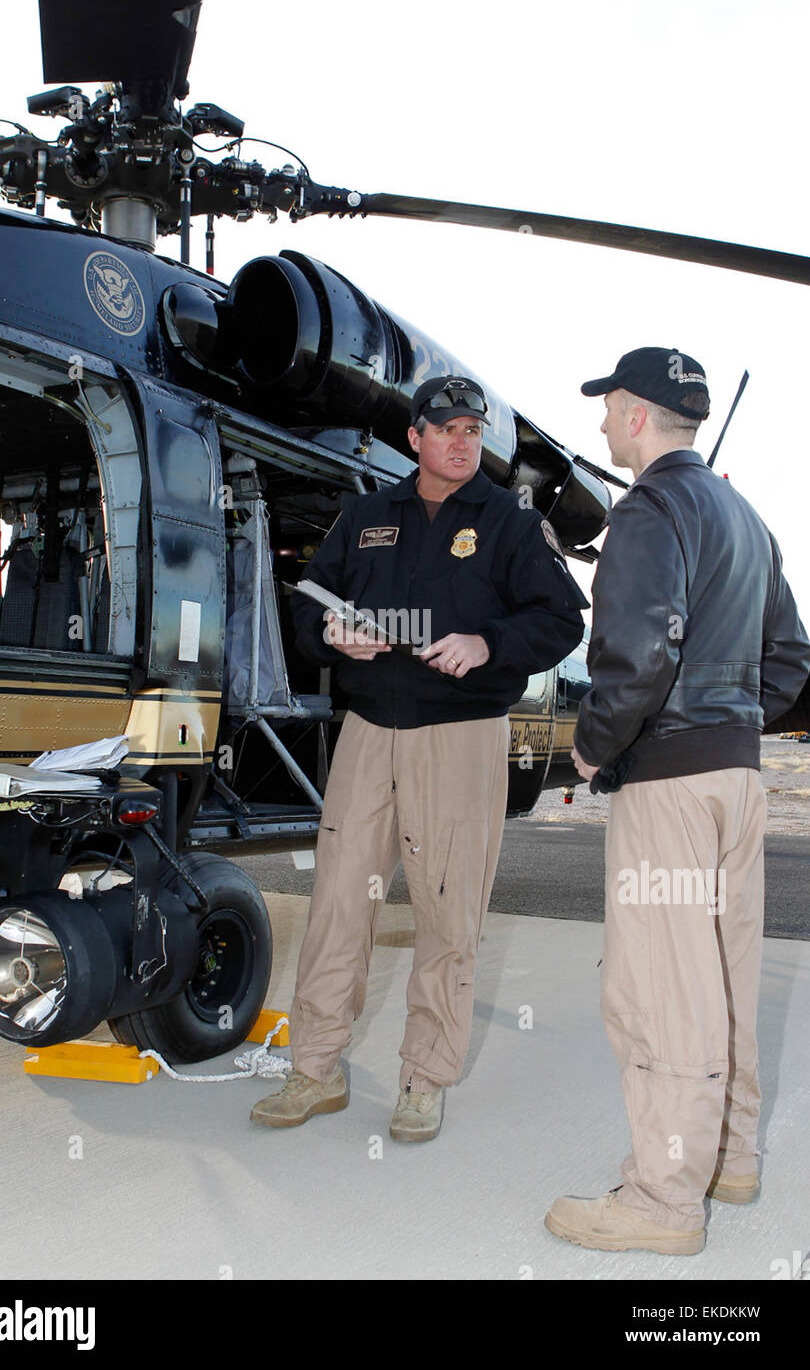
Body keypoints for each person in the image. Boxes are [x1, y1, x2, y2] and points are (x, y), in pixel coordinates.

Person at [250, 374, 588, 1140]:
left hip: (460, 737)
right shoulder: (368, 514)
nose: (463, 442)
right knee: (338, 901)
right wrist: (329, 635)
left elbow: (562, 617)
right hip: (369, 730)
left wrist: (490, 643)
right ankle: (316, 1069)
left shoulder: (505, 521)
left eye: (473, 430)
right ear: (416, 438)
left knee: (446, 911)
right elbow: (309, 600)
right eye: (447, 429)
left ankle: (424, 1078)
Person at [545, 347, 810, 1253]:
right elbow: (791, 662)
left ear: (634, 413)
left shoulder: (648, 511)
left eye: (608, 406)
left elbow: (642, 654)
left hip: (669, 788)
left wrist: (590, 747)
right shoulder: (746, 516)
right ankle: (730, 1159)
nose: (601, 423)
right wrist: (728, 724)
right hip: (737, 784)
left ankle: (663, 1200)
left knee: (662, 992)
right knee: (727, 978)